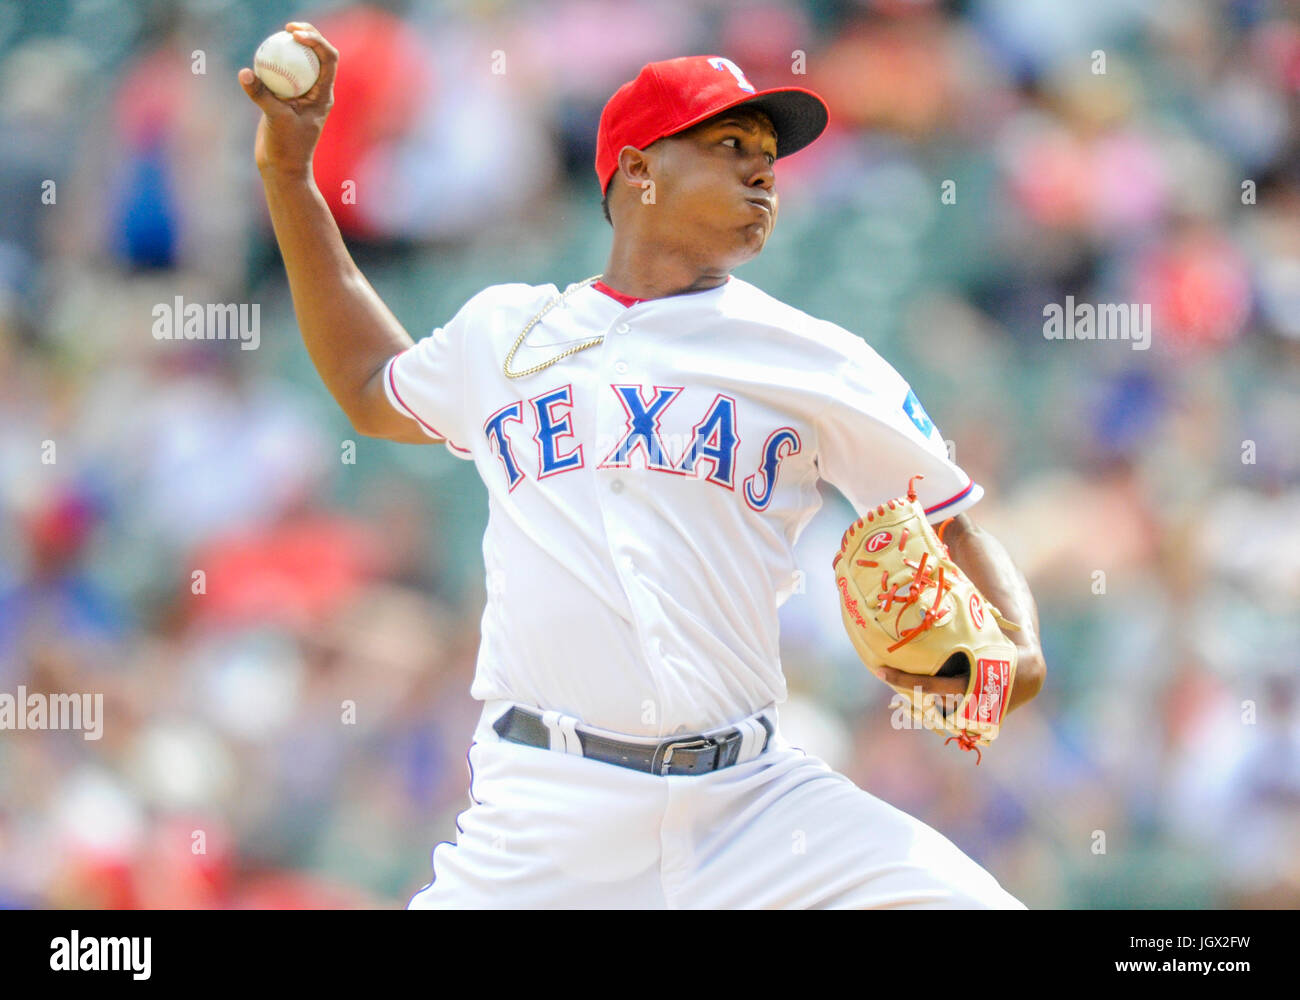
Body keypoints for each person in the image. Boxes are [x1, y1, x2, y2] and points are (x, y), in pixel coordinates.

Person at [238, 23, 1047, 909]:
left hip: (757, 806)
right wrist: (288, 177)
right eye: (730, 145)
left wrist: (1019, 650)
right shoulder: (505, 331)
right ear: (638, 171)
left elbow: (950, 518)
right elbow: (366, 386)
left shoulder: (814, 356)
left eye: (770, 153)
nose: (763, 170)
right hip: (545, 816)